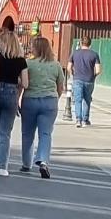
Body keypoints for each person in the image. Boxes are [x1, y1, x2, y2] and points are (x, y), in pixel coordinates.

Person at [17, 35, 67, 179]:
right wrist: (55, 97)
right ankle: (43, 160)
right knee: (45, 133)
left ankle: (26, 164)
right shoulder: (56, 65)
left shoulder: (28, 63)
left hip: (30, 101)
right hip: (49, 101)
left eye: (32, 46)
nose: (31, 48)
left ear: (37, 48)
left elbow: (23, 83)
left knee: (27, 133)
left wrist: (18, 100)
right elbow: (60, 86)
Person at [0, 26, 28, 175]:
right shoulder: (21, 61)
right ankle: (2, 166)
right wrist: (18, 81)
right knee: (5, 133)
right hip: (11, 93)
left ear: (4, 43)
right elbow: (26, 83)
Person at [68, 34, 101, 127]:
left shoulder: (75, 53)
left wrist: (73, 74)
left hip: (77, 79)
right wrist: (93, 76)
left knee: (78, 100)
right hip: (89, 80)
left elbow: (68, 67)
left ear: (81, 43)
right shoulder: (94, 54)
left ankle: (78, 120)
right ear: (90, 44)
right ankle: (85, 120)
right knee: (87, 100)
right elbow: (98, 70)